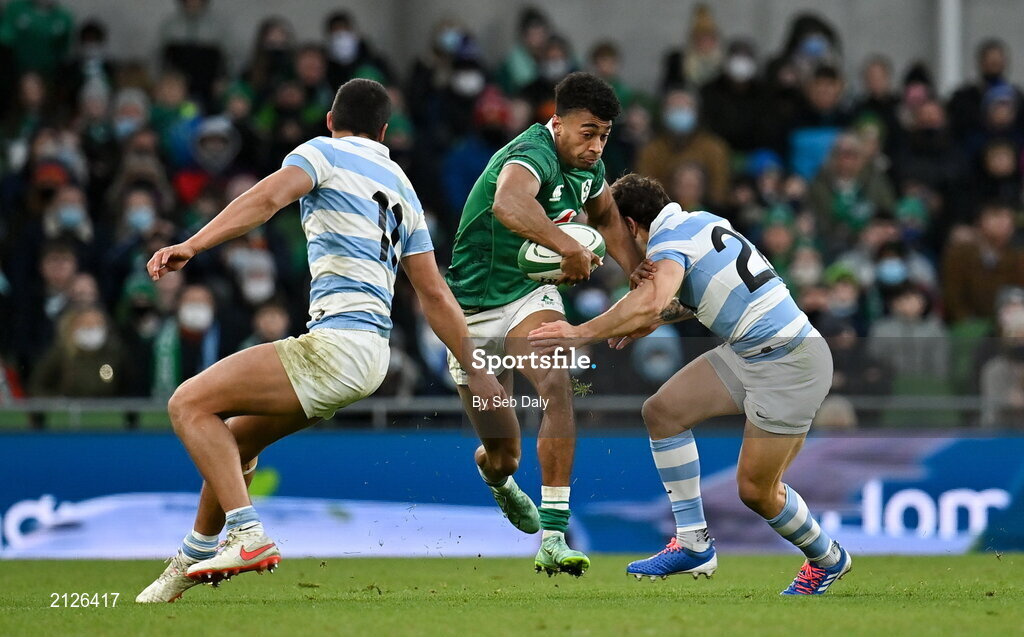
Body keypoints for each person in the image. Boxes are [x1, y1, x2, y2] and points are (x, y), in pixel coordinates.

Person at [136, 79, 505, 603]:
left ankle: (246, 533)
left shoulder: (322, 152)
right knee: (236, 441)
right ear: (384, 133)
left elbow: (266, 199)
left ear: (330, 121)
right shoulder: (403, 188)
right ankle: (193, 554)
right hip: (374, 354)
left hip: (337, 343)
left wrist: (192, 244)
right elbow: (435, 295)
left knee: (188, 404)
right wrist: (476, 364)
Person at [528, 174, 851, 595]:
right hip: (751, 351)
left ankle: (827, 557)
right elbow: (695, 298)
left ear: (629, 224)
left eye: (610, 227)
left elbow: (654, 298)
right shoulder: (698, 221)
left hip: (789, 363)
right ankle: (693, 543)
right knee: (662, 412)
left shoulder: (667, 242)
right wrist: (651, 319)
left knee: (756, 491)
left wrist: (578, 331)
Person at [443, 72, 643, 576]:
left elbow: (607, 218)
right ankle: (497, 477)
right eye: (587, 132)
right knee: (504, 453)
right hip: (468, 312)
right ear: (556, 123)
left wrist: (637, 272)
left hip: (529, 296)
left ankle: (554, 534)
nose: (596, 146)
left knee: (556, 381)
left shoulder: (588, 168)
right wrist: (567, 247)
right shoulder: (532, 154)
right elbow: (509, 203)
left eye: (604, 136)